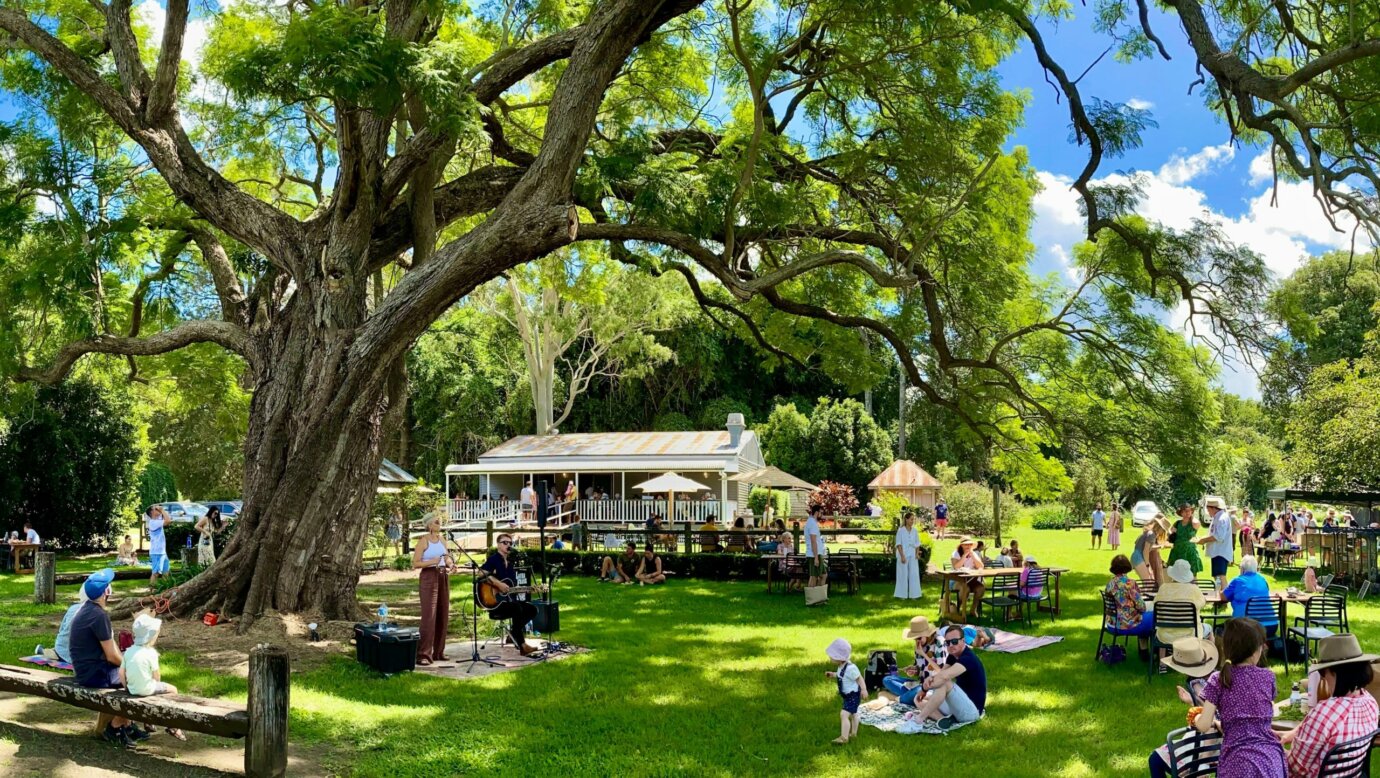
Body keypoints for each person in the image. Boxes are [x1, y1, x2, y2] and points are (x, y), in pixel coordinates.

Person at [1192, 618, 1287, 778]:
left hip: (1237, 761)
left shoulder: (1218, 678)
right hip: (1270, 759)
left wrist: (1197, 717)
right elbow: (1256, 715)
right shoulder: (1268, 676)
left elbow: (1203, 725)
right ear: (1254, 651)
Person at [1282, 634, 1380, 778]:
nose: (1322, 678)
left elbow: (1296, 767)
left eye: (1323, 672)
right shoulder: (1370, 702)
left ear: (1335, 673)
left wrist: (1275, 747)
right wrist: (1296, 733)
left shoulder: (1325, 712)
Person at [69, 568, 137, 747]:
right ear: (106, 592)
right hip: (94, 674)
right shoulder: (99, 616)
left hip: (85, 670)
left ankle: (127, 723)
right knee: (135, 679)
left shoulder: (86, 610)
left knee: (129, 673)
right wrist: (132, 666)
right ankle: (115, 726)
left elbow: (110, 647)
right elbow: (112, 655)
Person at [1149, 637, 1221, 778]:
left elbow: (1211, 716)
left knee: (1155, 760)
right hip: (1214, 733)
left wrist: (1191, 700)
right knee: (1157, 759)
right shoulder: (1216, 676)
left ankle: (1199, 767)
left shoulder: (1201, 682)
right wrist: (1191, 701)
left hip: (1212, 737)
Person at [121, 612, 187, 741]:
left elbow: (121, 673)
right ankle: (172, 724)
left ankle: (148, 722)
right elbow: (156, 675)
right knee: (173, 690)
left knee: (150, 690)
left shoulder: (129, 651)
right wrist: (154, 684)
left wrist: (127, 687)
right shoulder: (151, 653)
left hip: (132, 689)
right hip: (147, 688)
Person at [912, 624, 986, 729]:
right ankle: (942, 720)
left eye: (954, 641)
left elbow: (944, 677)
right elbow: (941, 673)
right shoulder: (953, 656)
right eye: (947, 642)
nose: (950, 645)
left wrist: (924, 688)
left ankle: (919, 719)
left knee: (945, 683)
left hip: (972, 712)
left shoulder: (968, 658)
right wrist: (930, 679)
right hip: (958, 704)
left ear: (963, 641)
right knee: (918, 699)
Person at [480, 533, 538, 656]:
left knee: (532, 609)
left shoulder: (511, 564)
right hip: (495, 602)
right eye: (505, 542)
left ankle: (512, 634)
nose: (508, 545)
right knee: (516, 608)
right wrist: (498, 584)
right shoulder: (493, 559)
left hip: (508, 601)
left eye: (510, 543)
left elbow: (511, 587)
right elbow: (481, 574)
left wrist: (528, 589)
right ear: (498, 545)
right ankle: (522, 645)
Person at [411, 516, 453, 665]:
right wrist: (432, 562)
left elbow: (446, 557)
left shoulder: (442, 539)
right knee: (429, 615)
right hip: (429, 576)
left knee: (443, 613)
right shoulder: (423, 541)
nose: (439, 523)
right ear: (429, 524)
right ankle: (423, 654)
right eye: (436, 521)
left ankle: (439, 652)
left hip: (443, 576)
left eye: (441, 521)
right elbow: (415, 563)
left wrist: (450, 564)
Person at [884, 616, 942, 705]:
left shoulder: (939, 643)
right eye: (915, 638)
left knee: (919, 690)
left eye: (919, 638)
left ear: (927, 634)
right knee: (887, 679)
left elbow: (941, 671)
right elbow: (921, 669)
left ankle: (901, 698)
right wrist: (914, 670)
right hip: (921, 684)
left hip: (934, 686)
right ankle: (912, 698)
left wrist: (923, 654)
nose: (917, 641)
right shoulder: (919, 646)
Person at [1154, 560, 1208, 654]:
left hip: (1165, 634)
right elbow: (1202, 603)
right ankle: (1207, 660)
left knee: (1162, 628)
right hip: (1190, 634)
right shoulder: (1194, 589)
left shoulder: (1163, 588)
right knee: (1209, 630)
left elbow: (1155, 604)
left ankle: (1162, 664)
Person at [1105, 554, 1155, 648]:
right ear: (1127, 567)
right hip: (1127, 625)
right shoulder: (1130, 583)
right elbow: (1142, 607)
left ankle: (1144, 650)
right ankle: (1151, 651)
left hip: (1112, 624)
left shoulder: (1110, 584)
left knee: (1143, 618)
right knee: (1153, 616)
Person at [825, 638, 868, 745]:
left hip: (853, 695)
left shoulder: (851, 668)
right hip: (847, 696)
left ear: (839, 657)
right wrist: (833, 674)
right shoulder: (841, 666)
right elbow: (843, 676)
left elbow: (859, 678)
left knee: (844, 714)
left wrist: (863, 689)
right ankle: (853, 733)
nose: (830, 658)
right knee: (854, 714)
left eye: (832, 656)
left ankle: (844, 738)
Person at [1221, 555, 1278, 635]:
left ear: (1242, 569)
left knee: (1222, 629)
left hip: (1248, 628)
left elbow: (1223, 597)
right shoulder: (1262, 580)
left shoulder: (1238, 581)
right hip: (1271, 625)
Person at [45, 587, 89, 664]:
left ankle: (51, 652)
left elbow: (62, 628)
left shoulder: (72, 608)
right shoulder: (97, 614)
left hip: (62, 649)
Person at [1198, 498, 1234, 592]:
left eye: (1208, 509)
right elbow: (1214, 533)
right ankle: (1219, 595)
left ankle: (1224, 598)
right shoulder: (1217, 517)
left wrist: (1204, 540)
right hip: (1217, 551)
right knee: (1217, 576)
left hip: (1221, 552)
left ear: (1214, 508)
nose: (1208, 511)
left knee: (1221, 576)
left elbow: (1219, 537)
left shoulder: (1222, 518)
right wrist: (1204, 539)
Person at [950, 537, 985, 618]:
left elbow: (981, 566)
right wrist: (964, 556)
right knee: (966, 589)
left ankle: (973, 610)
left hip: (971, 579)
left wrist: (972, 555)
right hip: (957, 580)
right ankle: (961, 610)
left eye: (970, 544)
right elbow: (956, 567)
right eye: (966, 544)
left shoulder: (974, 553)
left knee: (981, 588)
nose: (968, 546)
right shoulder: (956, 553)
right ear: (962, 545)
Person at [1167, 503, 1203, 576]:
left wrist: (1191, 516)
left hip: (1189, 552)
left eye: (1189, 511)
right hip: (1177, 551)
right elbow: (1169, 533)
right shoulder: (1177, 523)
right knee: (1177, 574)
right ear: (1181, 513)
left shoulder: (1193, 523)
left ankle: (1193, 587)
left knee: (1192, 574)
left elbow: (1197, 523)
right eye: (1185, 511)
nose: (1188, 513)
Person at [894, 512, 922, 599]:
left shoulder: (915, 530)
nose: (912, 521)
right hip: (903, 554)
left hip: (912, 554)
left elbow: (917, 543)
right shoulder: (901, 530)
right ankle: (902, 595)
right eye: (911, 519)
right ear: (906, 519)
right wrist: (902, 556)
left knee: (914, 574)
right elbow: (898, 544)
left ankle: (914, 595)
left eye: (913, 519)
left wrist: (917, 553)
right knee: (903, 574)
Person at [145, 505, 171, 586]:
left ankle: (164, 592)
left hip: (162, 551)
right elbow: (168, 521)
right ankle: (151, 592)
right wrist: (162, 510)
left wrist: (160, 510)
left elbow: (167, 519)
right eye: (155, 509)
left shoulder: (157, 520)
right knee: (155, 573)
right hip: (157, 552)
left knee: (166, 573)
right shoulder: (153, 522)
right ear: (152, 512)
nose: (158, 509)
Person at [804, 506, 828, 589]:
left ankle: (819, 597)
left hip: (817, 553)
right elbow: (813, 541)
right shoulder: (812, 524)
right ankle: (811, 598)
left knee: (823, 575)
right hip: (814, 554)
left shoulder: (812, 522)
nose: (822, 515)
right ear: (816, 512)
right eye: (821, 513)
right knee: (813, 577)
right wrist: (816, 558)